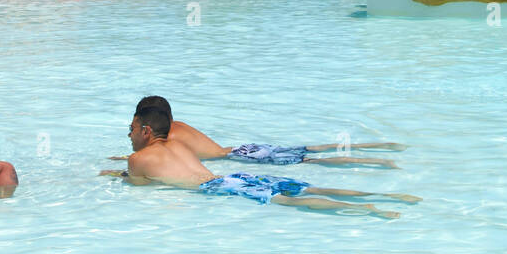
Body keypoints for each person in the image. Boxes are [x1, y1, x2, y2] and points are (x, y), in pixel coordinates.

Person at [100, 106, 417, 219]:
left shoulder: (136, 158)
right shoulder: (177, 144)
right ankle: (382, 196)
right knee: (307, 187)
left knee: (291, 202)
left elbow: (140, 184)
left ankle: (368, 211)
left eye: (130, 130)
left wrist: (116, 174)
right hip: (236, 175)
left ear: (145, 130)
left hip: (220, 189)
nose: (128, 136)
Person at [108, 96, 407, 169]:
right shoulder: (177, 126)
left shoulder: (167, 138)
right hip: (243, 148)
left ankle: (376, 162)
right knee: (309, 151)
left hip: (239, 159)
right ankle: (379, 148)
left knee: (308, 161)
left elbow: (161, 155)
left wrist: (123, 163)